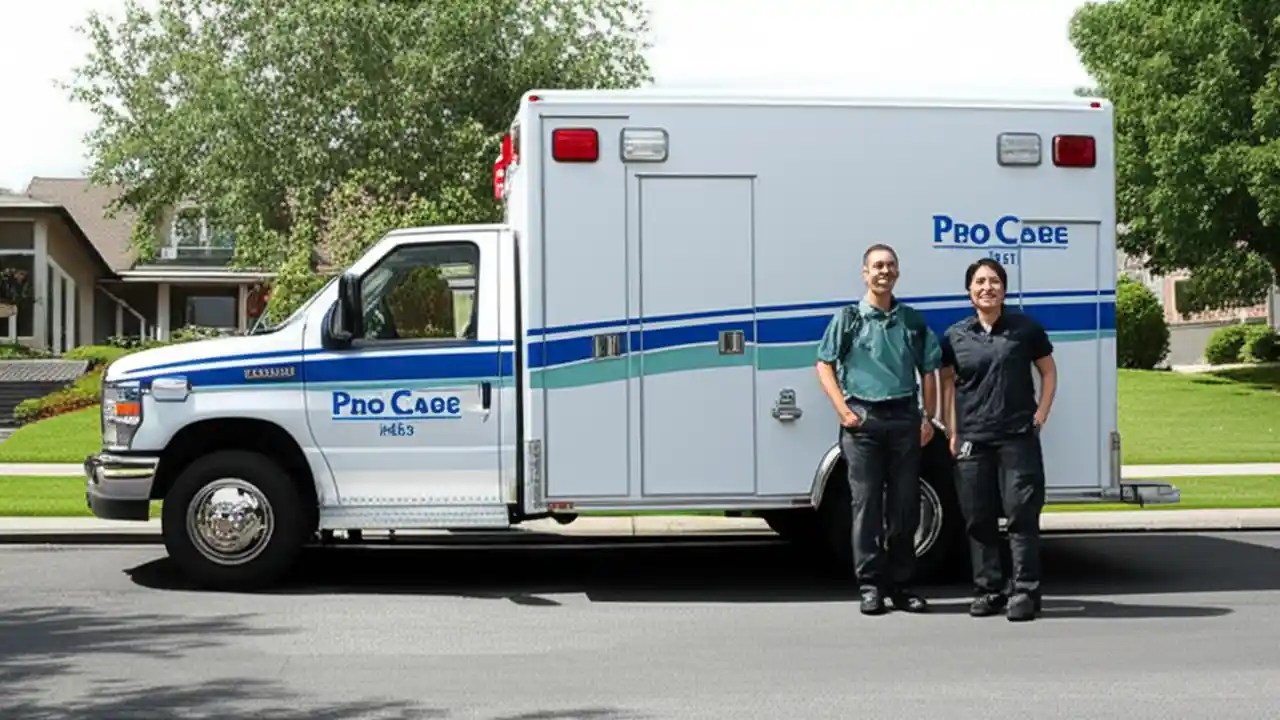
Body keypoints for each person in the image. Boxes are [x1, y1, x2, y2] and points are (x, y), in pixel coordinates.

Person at [815, 243, 942, 615]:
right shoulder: (849, 318)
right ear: (864, 273)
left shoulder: (912, 321)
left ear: (897, 273)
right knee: (866, 506)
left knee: (905, 506)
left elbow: (930, 368)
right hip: (863, 422)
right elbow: (824, 364)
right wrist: (843, 411)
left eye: (889, 266)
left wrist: (927, 416)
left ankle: (902, 586)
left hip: (904, 418)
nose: (883, 272)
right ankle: (870, 586)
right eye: (876, 266)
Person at [938, 258, 1057, 622]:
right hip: (974, 439)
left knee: (1022, 516)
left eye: (993, 281)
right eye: (979, 282)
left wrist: (1040, 415)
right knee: (978, 519)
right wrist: (951, 430)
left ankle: (1024, 591)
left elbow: (1048, 372)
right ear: (969, 291)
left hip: (1017, 437)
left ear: (1004, 289)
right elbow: (946, 383)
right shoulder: (955, 336)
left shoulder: (1025, 328)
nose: (986, 287)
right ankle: (989, 590)